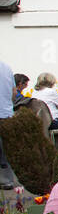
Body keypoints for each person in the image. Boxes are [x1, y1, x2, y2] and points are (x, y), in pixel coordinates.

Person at [0, 58, 16, 189]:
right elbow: (14, 92)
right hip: (6, 114)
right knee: (5, 150)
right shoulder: (6, 67)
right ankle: (7, 180)